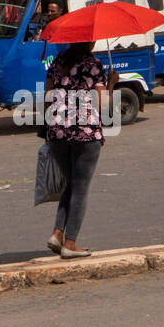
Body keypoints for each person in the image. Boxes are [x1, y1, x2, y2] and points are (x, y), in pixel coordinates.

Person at [44, 41, 118, 259]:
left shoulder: (57, 63)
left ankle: (57, 234)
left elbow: (47, 100)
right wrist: (111, 83)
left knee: (72, 183)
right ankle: (70, 243)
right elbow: (103, 105)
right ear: (90, 41)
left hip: (56, 132)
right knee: (81, 188)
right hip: (85, 133)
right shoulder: (94, 65)